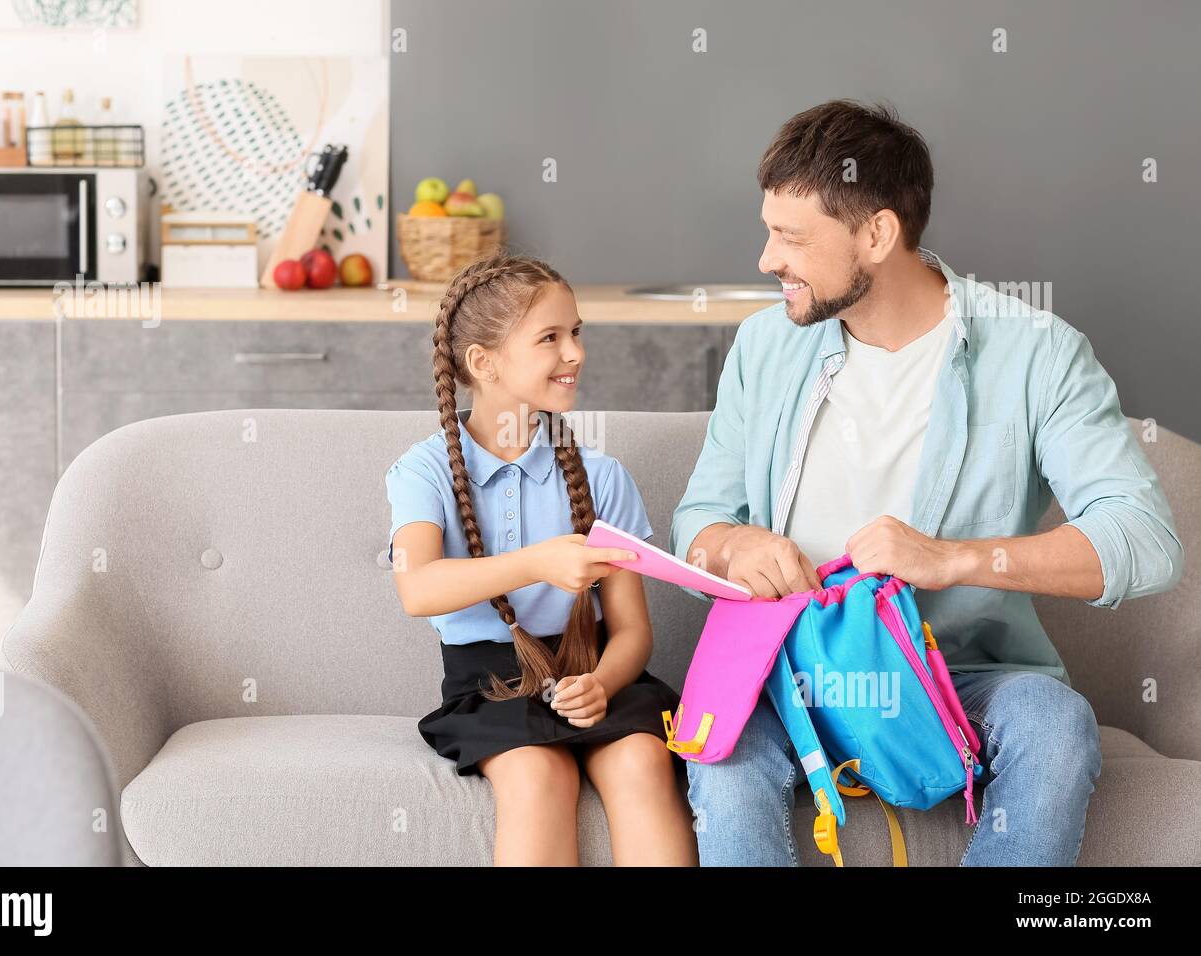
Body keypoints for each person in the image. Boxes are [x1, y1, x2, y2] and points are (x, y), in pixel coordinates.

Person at [671, 100, 1184, 866]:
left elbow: (1142, 541)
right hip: (791, 665)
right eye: (769, 230)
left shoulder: (1038, 353)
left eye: (791, 237)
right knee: (724, 759)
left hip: (964, 672)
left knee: (1055, 725)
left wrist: (953, 558)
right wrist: (733, 544)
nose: (766, 259)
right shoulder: (764, 346)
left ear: (876, 234)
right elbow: (699, 524)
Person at [386, 253, 698, 866]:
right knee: (538, 777)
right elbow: (416, 589)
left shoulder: (603, 477)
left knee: (641, 759)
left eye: (577, 332)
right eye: (550, 338)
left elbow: (633, 630)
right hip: (490, 684)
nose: (575, 352)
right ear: (484, 362)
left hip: (597, 671)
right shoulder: (423, 472)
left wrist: (602, 684)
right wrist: (538, 562)